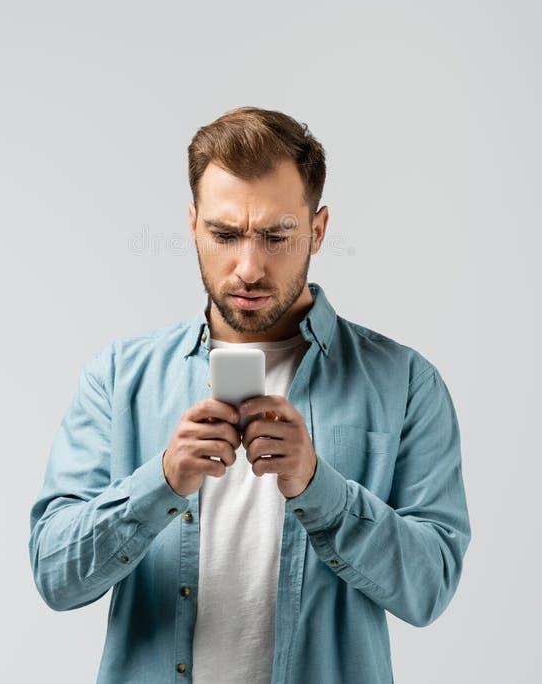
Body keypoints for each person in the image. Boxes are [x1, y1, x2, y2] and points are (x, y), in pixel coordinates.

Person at [29, 107, 471, 684]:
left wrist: (320, 489)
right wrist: (159, 481)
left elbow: (429, 589)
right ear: (192, 226)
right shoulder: (118, 378)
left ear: (317, 229)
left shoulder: (404, 383)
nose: (249, 266)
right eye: (225, 234)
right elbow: (55, 577)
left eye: (276, 235)